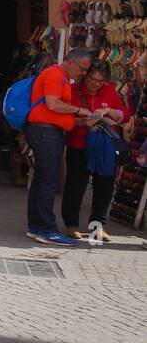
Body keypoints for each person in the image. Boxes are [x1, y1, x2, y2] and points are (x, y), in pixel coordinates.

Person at [24, 48, 97, 246]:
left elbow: (59, 115)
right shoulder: (55, 74)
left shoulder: (62, 77)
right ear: (72, 62)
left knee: (42, 180)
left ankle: (35, 226)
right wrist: (79, 109)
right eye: (83, 69)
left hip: (48, 131)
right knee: (48, 181)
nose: (83, 74)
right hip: (45, 133)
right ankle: (47, 230)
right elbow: (53, 104)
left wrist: (83, 122)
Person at [62, 59, 125, 241]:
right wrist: (83, 121)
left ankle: (97, 226)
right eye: (92, 79)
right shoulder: (72, 91)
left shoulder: (110, 91)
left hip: (104, 148)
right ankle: (71, 224)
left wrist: (110, 111)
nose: (95, 84)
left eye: (100, 81)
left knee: (104, 186)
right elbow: (63, 119)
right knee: (75, 185)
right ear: (85, 75)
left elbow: (124, 115)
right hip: (78, 145)